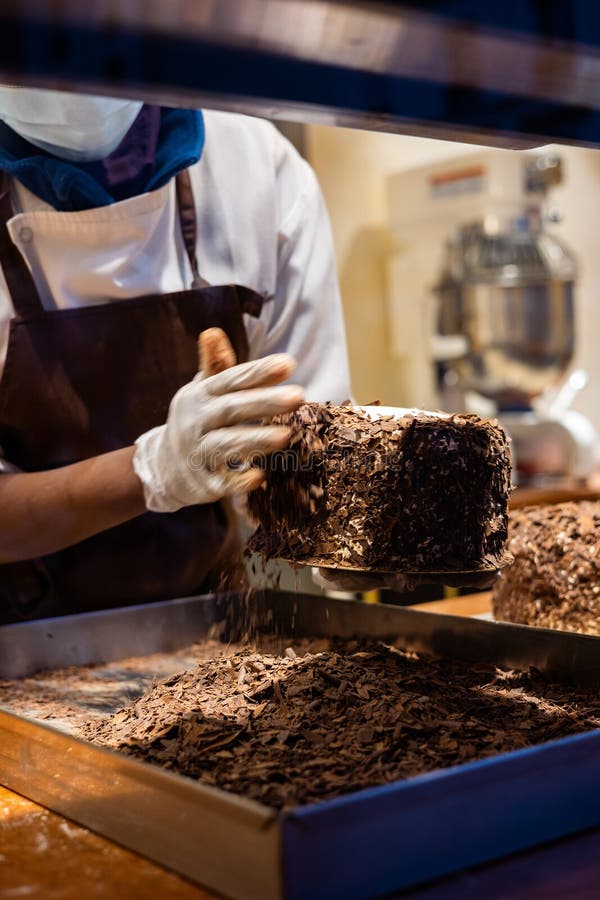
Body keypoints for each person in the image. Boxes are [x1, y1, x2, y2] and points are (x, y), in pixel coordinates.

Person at [0, 87, 351, 624]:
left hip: (209, 624)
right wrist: (151, 471)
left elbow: (308, 451)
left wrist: (347, 537)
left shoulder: (257, 170)